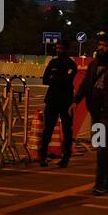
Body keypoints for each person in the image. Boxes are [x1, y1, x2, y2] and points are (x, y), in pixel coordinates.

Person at [73, 32, 108, 196]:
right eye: (100, 45)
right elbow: (85, 85)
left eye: (105, 45)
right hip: (95, 111)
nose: (101, 48)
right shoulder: (93, 65)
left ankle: (101, 183)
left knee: (100, 147)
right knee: (103, 147)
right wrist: (75, 101)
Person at [39, 38, 78, 167]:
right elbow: (45, 79)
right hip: (52, 99)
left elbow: (67, 80)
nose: (58, 50)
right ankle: (42, 156)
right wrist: (57, 78)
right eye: (57, 48)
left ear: (66, 49)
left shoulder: (71, 65)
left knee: (67, 130)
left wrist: (54, 77)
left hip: (66, 100)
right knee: (48, 129)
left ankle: (66, 158)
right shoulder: (53, 62)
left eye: (61, 48)